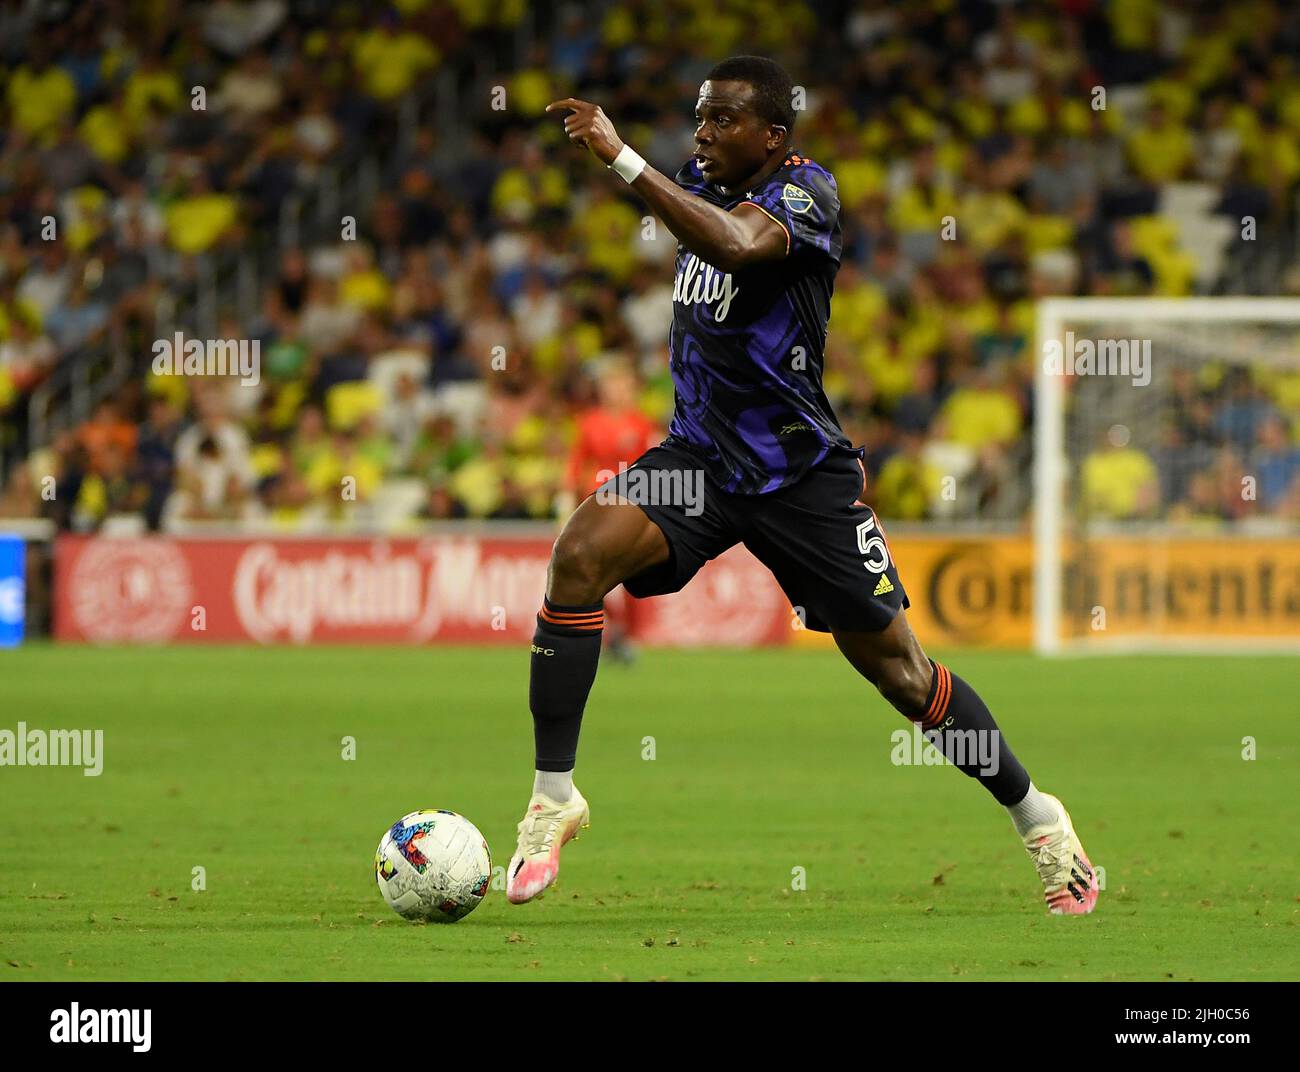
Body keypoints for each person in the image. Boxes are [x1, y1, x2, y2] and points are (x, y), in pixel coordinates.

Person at [510, 57, 1097, 916]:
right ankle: (553, 799)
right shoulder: (698, 181)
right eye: (699, 115)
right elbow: (697, 222)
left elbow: (734, 244)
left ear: (774, 135)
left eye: (722, 120)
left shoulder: (806, 193)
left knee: (902, 674)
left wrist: (621, 158)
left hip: (798, 476)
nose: (702, 131)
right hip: (702, 462)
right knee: (576, 557)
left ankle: (1038, 816)